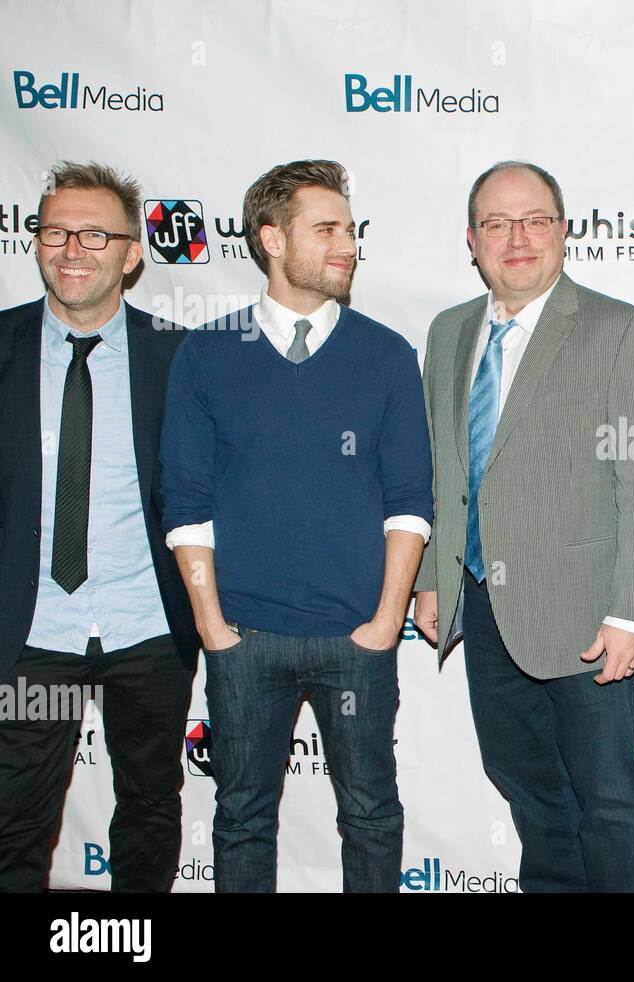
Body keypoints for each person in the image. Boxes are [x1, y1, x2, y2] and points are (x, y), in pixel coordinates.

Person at [160, 160, 433, 892]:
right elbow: (185, 504)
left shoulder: (385, 354)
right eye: (328, 228)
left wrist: (385, 622)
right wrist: (213, 627)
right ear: (272, 238)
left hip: (357, 639)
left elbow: (410, 500)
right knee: (243, 815)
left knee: (371, 814)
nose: (348, 244)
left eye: (349, 228)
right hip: (244, 639)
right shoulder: (208, 355)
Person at [411, 161, 634, 893]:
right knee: (528, 789)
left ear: (563, 231)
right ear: (472, 240)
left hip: (588, 612)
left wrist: (633, 612)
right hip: (484, 605)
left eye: (534, 221)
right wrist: (436, 581)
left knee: (609, 801)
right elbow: (443, 468)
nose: (516, 238)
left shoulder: (617, 328)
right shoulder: (449, 331)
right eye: (497, 224)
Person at [0, 161, 199, 892]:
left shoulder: (180, 358)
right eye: (54, 231)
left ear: (133, 252)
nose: (71, 249)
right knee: (14, 820)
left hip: (148, 634)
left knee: (149, 811)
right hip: (32, 639)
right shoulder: (2, 348)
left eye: (93, 234)